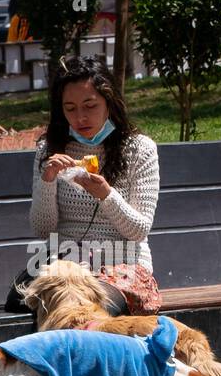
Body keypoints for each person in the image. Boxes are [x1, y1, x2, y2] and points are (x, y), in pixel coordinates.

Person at [13, 53, 161, 311]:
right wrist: (47, 181)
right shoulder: (50, 149)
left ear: (109, 102)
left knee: (85, 305)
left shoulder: (139, 149)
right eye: (70, 109)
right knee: (20, 301)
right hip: (65, 264)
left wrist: (107, 195)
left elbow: (139, 230)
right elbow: (42, 229)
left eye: (90, 106)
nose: (80, 117)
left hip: (121, 265)